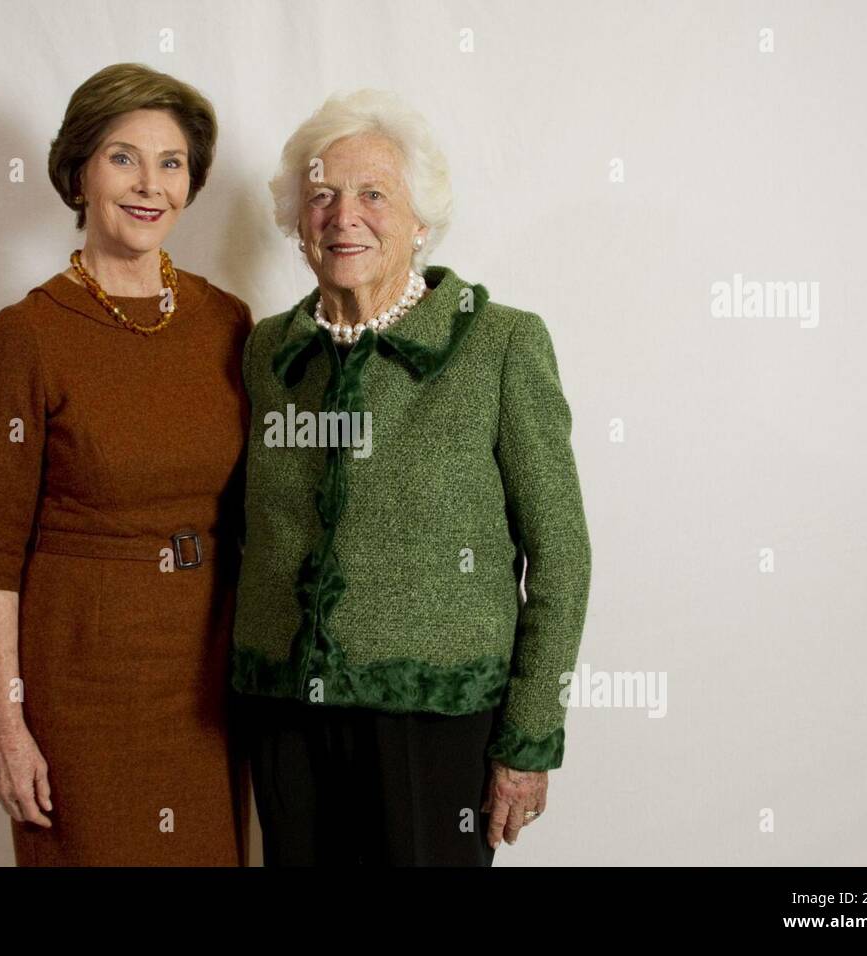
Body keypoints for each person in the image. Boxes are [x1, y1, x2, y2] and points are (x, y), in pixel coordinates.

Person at [230, 89, 592, 865]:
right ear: (298, 220)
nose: (343, 214)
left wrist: (529, 738)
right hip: (287, 714)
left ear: (420, 220)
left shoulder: (499, 346)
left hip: (434, 723)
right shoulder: (267, 353)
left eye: (373, 194)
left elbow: (561, 552)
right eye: (321, 194)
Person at [0, 63, 252, 865]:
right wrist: (6, 725)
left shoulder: (229, 322)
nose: (150, 184)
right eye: (123, 157)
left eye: (172, 163)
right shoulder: (30, 333)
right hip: (82, 682)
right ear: (79, 171)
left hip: (208, 686)